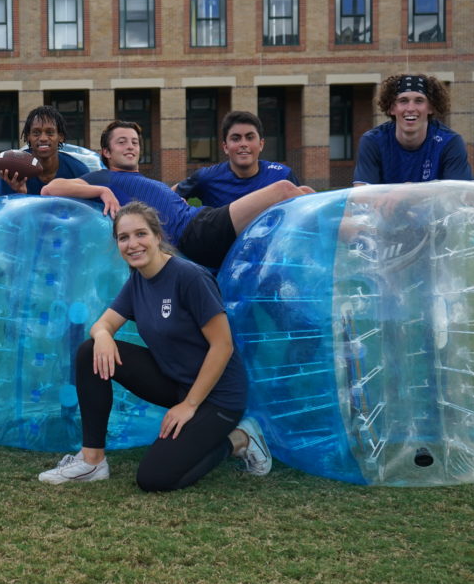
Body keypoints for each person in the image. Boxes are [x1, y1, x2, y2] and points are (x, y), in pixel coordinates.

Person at [38, 202, 271, 490]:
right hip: (175, 382)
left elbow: (223, 346)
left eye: (140, 234)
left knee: (154, 478)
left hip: (217, 397)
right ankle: (92, 461)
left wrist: (189, 405)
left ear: (157, 236)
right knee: (90, 352)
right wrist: (102, 336)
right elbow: (102, 325)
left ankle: (240, 439)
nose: (132, 244)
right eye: (124, 238)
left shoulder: (190, 277)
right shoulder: (138, 280)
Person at [41, 120, 313, 270]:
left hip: (201, 222)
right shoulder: (104, 177)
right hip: (195, 232)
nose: (131, 147)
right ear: (107, 153)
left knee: (303, 192)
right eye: (122, 142)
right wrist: (101, 190)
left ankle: (335, 232)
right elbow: (51, 188)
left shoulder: (142, 180)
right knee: (285, 190)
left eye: (135, 142)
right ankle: (341, 230)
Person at [353, 74, 473, 185]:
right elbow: (361, 197)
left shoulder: (450, 142)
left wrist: (410, 193)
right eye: (403, 101)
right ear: (391, 108)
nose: (410, 108)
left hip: (435, 209)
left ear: (430, 107)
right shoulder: (373, 141)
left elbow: (459, 196)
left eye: (419, 101)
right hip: (386, 208)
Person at [174, 110, 299, 207]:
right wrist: (182, 211)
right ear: (225, 147)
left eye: (250, 137)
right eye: (236, 138)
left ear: (261, 144)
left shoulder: (282, 175)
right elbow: (166, 197)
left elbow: (307, 214)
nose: (243, 144)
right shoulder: (206, 177)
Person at [0, 105, 90, 195]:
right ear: (28, 137)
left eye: (50, 132)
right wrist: (20, 194)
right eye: (36, 133)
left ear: (60, 137)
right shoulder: (13, 171)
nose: (43, 138)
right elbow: (5, 209)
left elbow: (89, 208)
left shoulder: (79, 171)